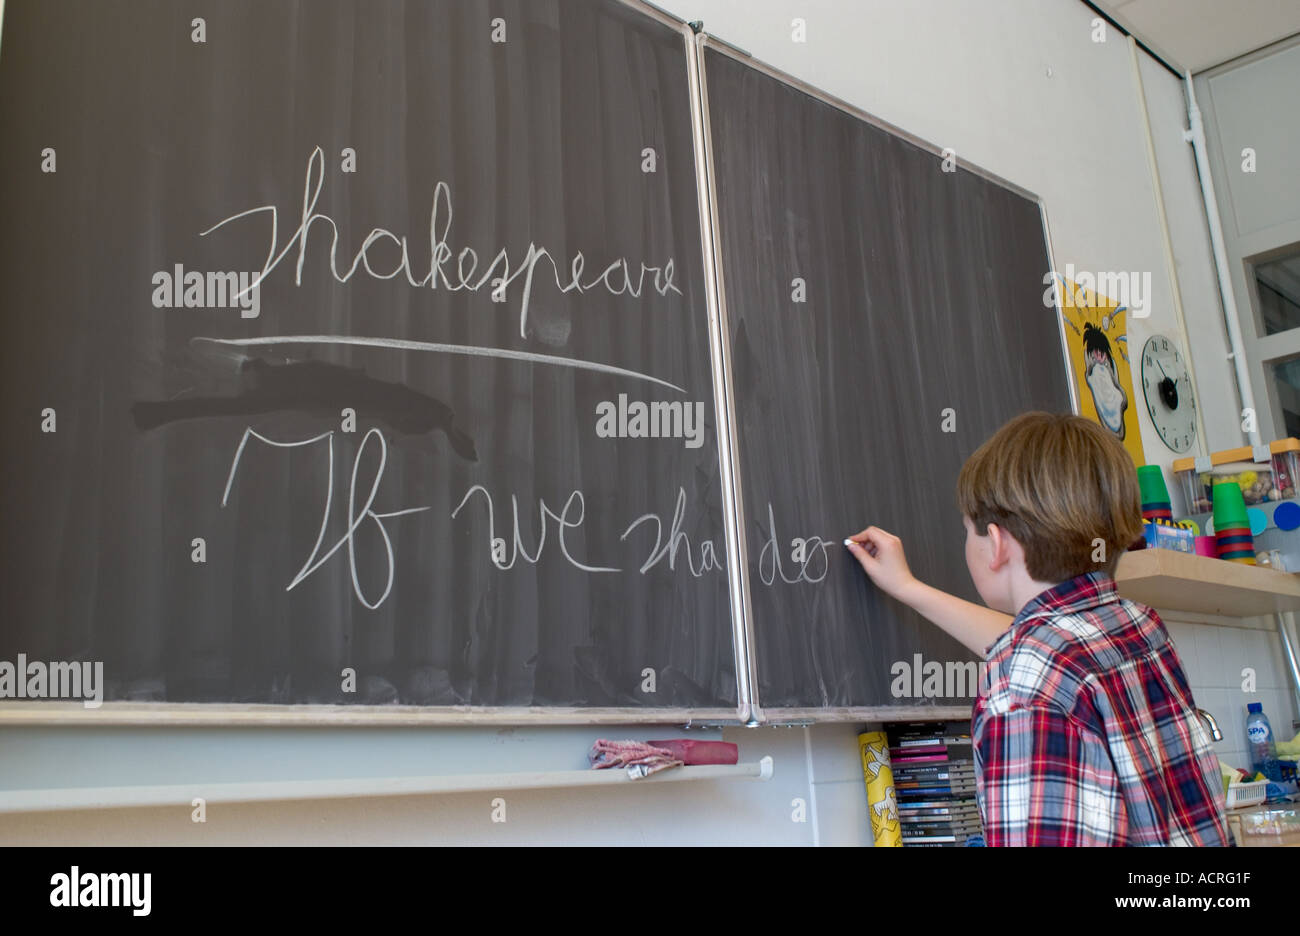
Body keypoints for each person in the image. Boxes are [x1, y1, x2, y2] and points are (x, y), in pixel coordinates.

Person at [846, 411, 1230, 846]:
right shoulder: (1139, 626)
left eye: (967, 532)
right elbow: (1051, 646)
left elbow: (1037, 661)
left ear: (995, 544)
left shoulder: (1020, 685)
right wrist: (909, 588)